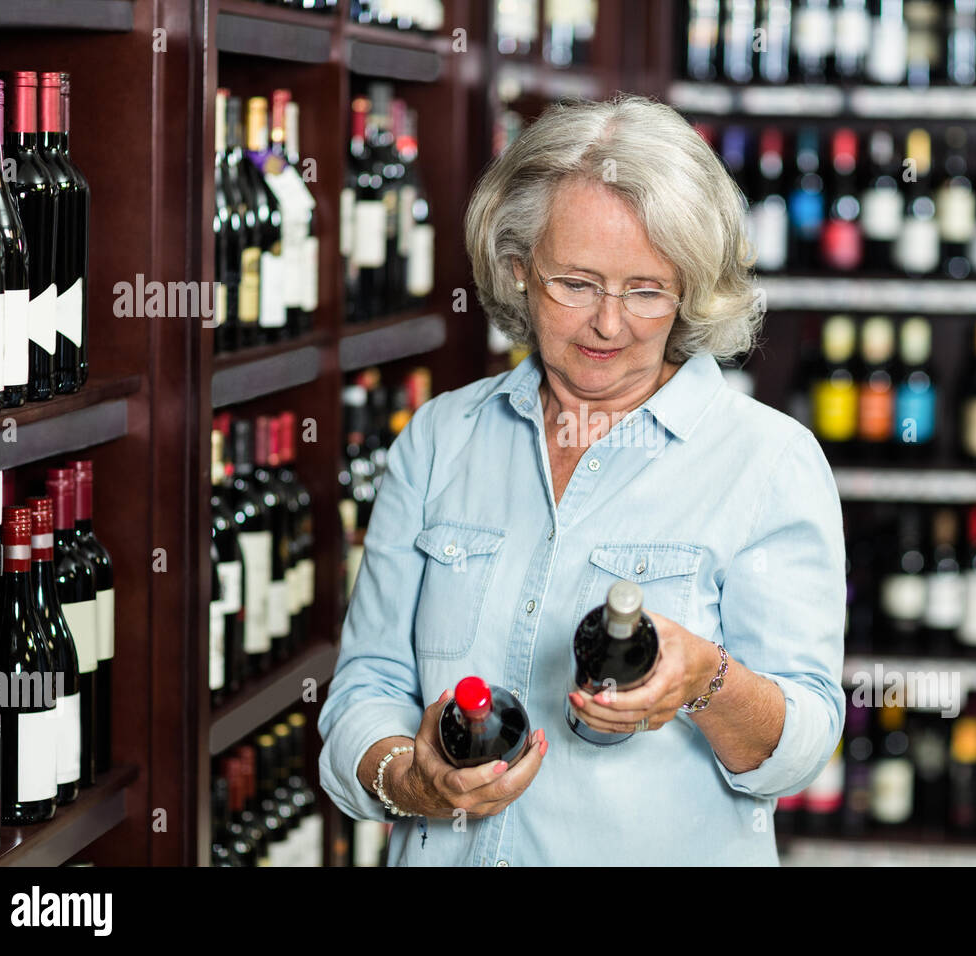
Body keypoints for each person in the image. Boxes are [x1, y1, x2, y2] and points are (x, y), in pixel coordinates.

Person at [318, 93, 846, 865]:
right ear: (518, 269)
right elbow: (365, 690)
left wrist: (706, 679)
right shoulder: (440, 438)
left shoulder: (768, 460)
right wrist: (413, 779)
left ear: (690, 291)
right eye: (575, 282)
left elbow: (800, 749)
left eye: (645, 290)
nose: (608, 324)